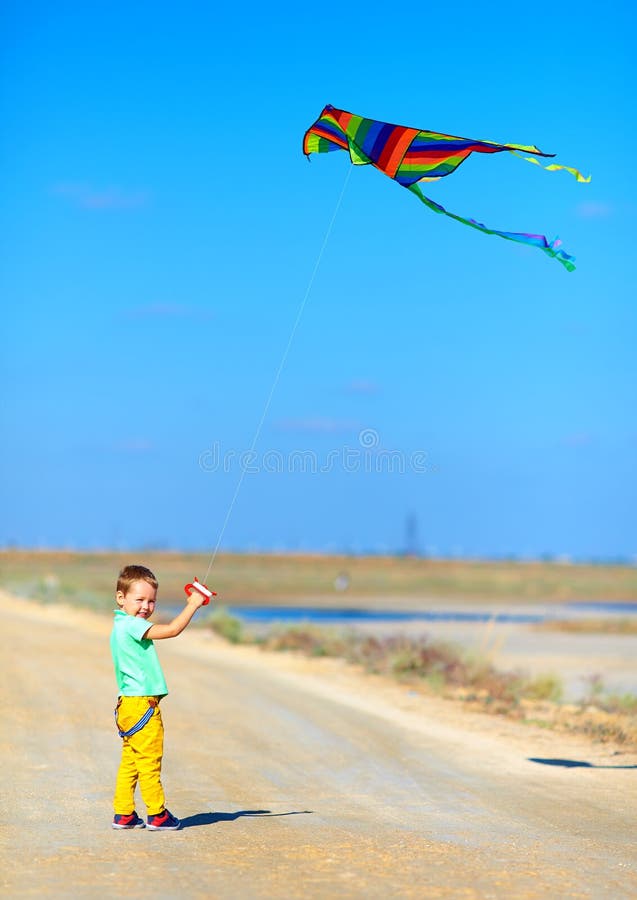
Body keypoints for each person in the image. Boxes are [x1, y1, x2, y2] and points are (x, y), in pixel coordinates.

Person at [110, 563, 207, 830]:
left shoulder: (121, 625)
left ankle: (124, 814)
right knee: (150, 763)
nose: (146, 606)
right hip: (142, 706)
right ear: (121, 598)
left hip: (129, 705)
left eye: (151, 601)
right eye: (139, 599)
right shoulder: (130, 626)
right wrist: (193, 605)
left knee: (131, 762)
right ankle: (157, 814)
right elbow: (173, 629)